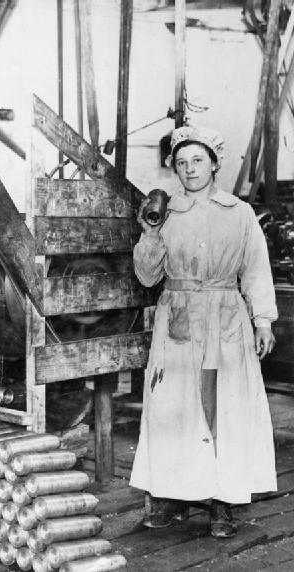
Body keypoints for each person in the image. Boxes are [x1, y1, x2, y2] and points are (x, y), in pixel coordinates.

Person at [130, 125, 278, 539]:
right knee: (173, 409)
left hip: (225, 317)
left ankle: (221, 503)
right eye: (181, 162)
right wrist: (149, 233)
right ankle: (172, 500)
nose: (189, 169)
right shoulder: (164, 213)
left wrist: (263, 320)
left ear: (214, 163)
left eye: (197, 160)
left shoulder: (240, 213)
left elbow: (255, 269)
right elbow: (145, 278)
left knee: (221, 408)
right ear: (174, 169)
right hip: (177, 318)